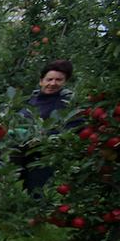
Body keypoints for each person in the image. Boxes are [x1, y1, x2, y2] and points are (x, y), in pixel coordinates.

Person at [15, 59, 75, 194]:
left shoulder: (67, 104)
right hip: (21, 156)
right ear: (41, 81)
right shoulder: (32, 99)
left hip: (44, 161)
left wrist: (44, 138)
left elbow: (69, 132)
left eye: (58, 80)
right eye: (49, 79)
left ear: (65, 82)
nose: (53, 83)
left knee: (38, 195)